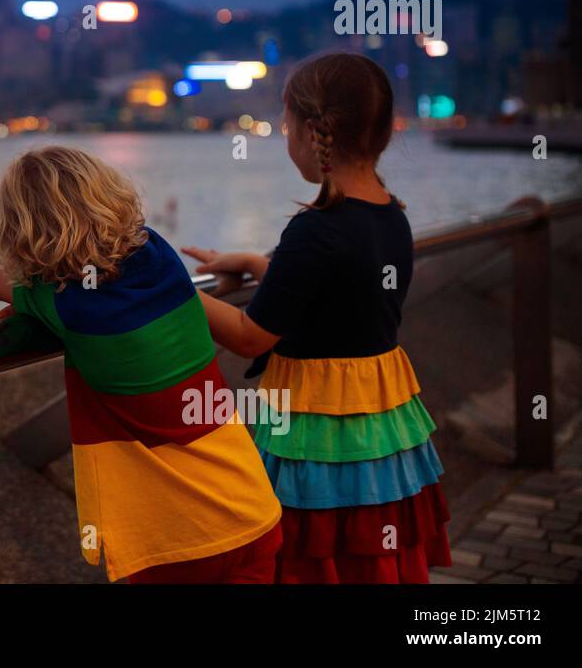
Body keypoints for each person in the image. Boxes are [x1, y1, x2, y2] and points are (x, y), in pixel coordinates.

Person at [182, 51, 451, 583]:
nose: (285, 140)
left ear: (311, 132)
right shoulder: (390, 215)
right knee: (364, 553)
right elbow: (340, 292)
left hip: (314, 426)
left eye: (285, 126)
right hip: (377, 423)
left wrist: (167, 289)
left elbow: (251, 336)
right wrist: (261, 265)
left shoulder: (315, 230)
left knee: (309, 550)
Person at [0, 146, 281, 582]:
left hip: (170, 545)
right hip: (251, 511)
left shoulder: (63, 305)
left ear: (20, 231)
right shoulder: (161, 257)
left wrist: (31, 287)